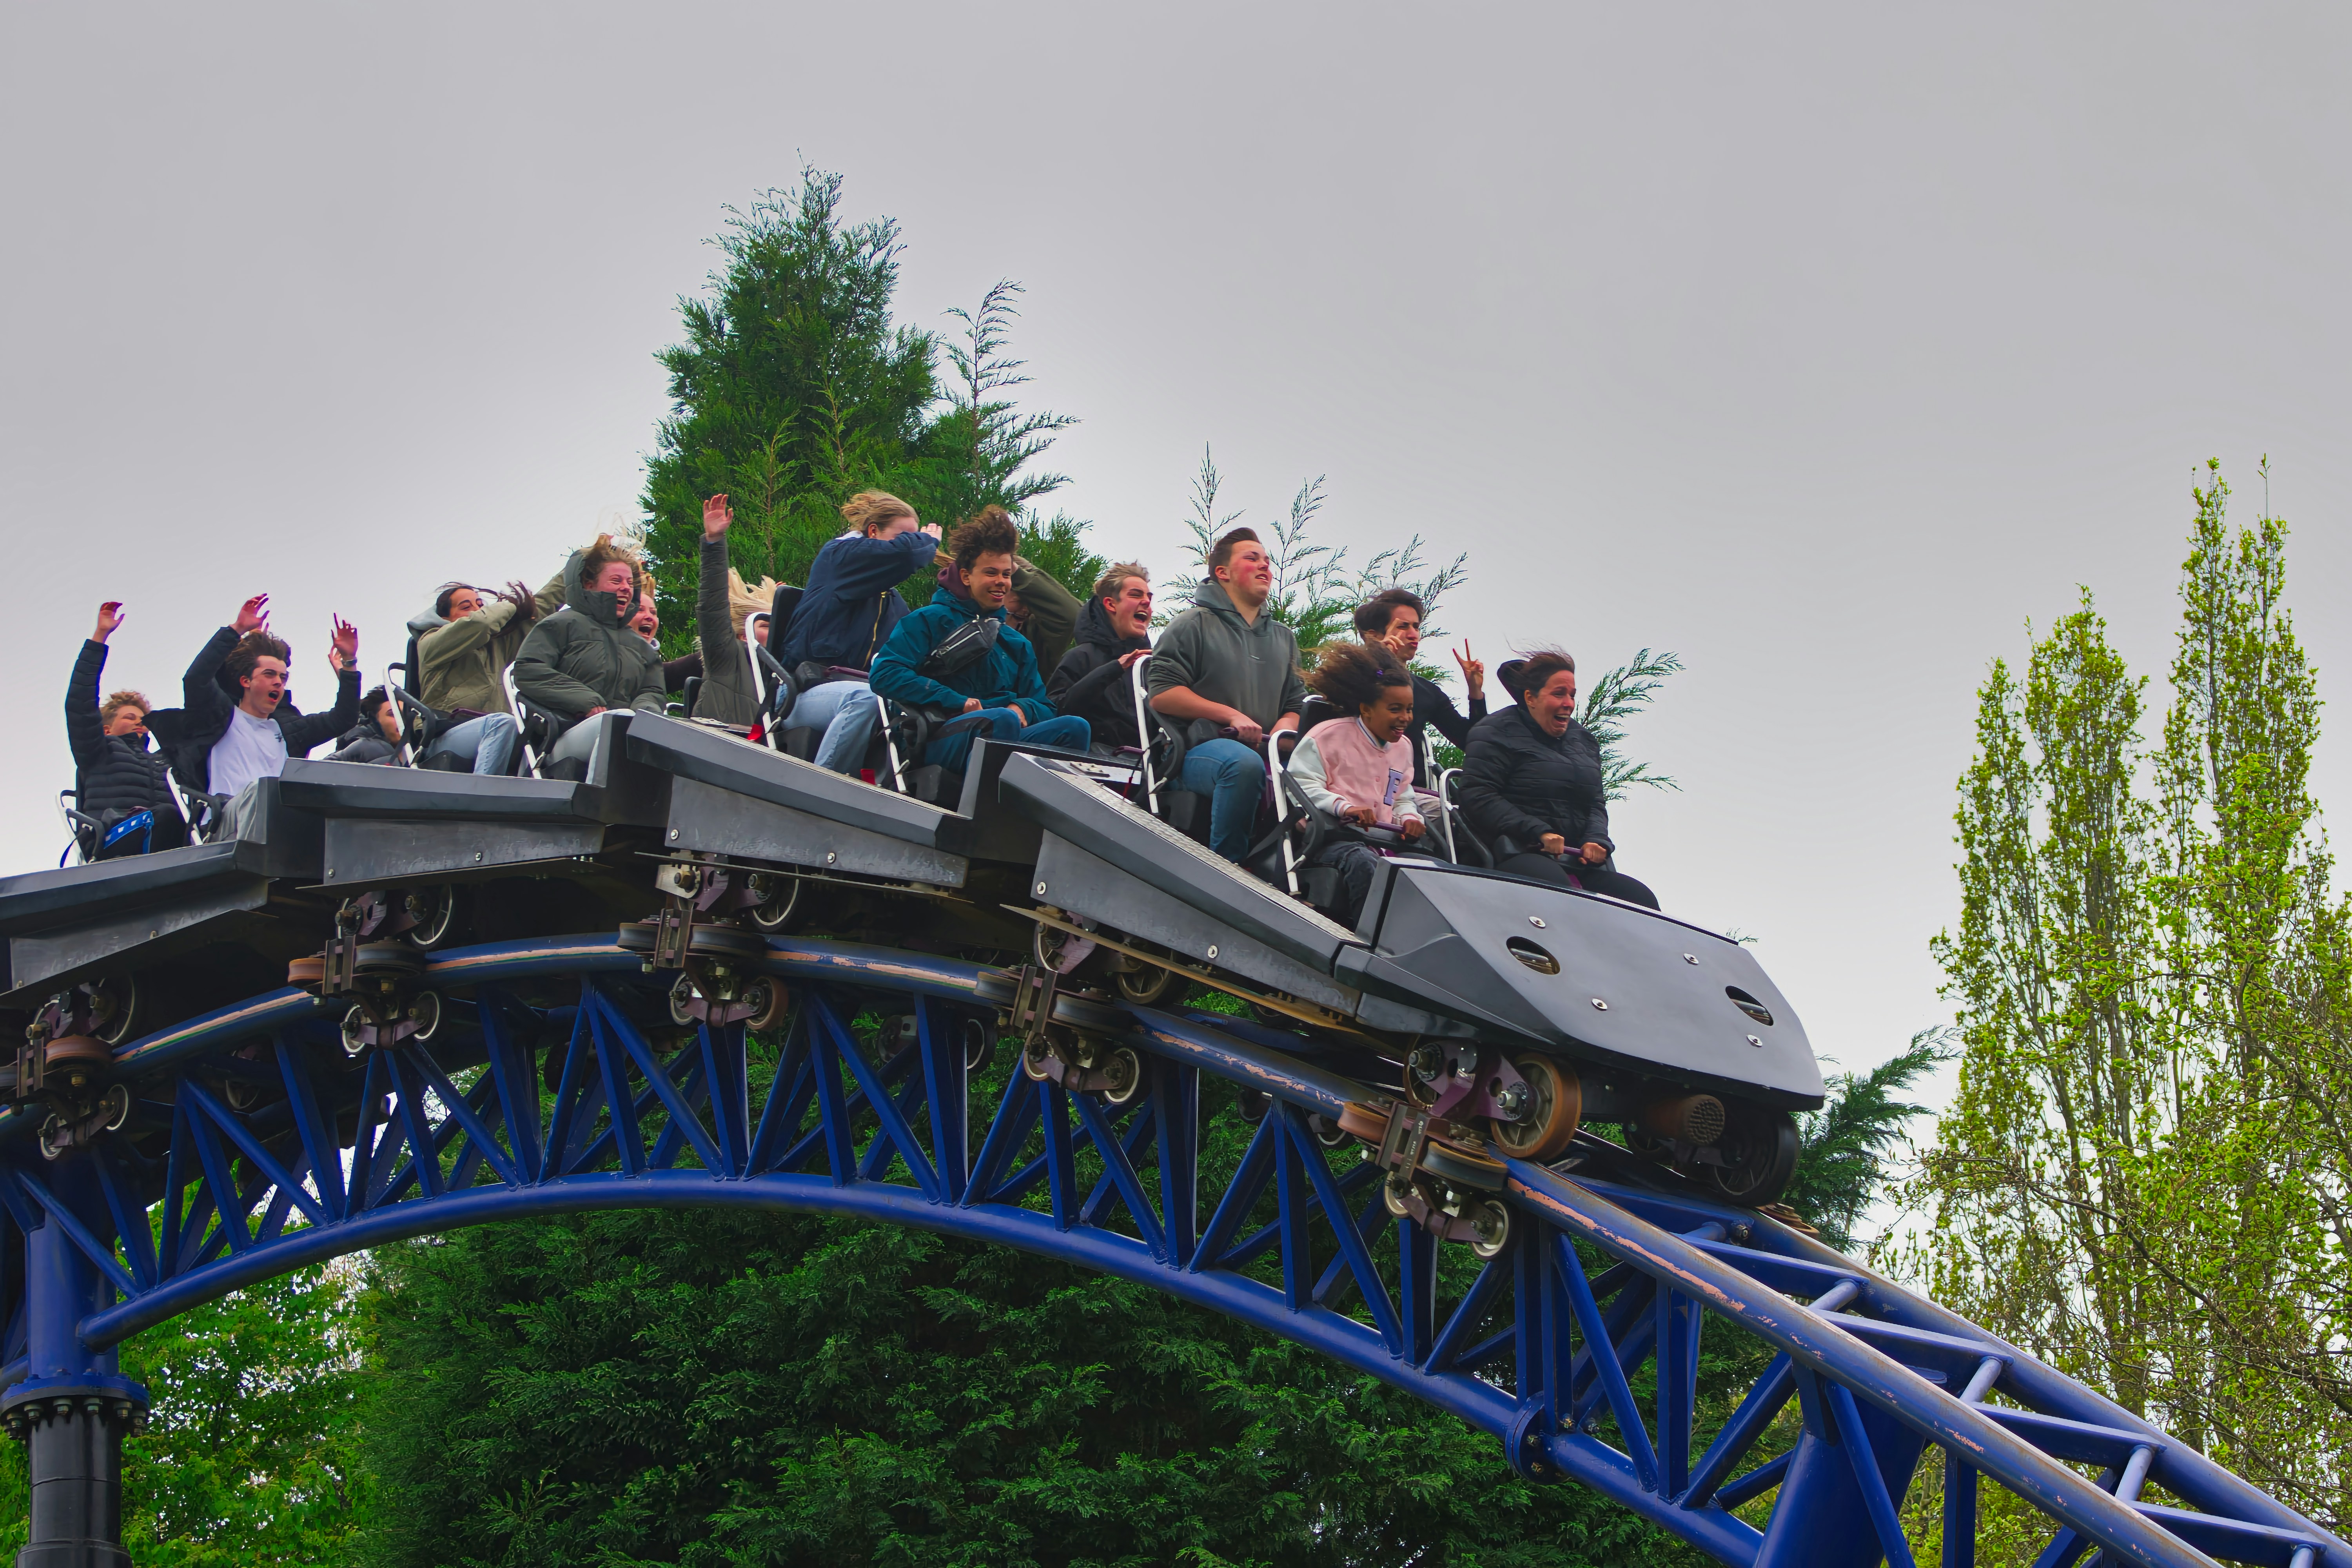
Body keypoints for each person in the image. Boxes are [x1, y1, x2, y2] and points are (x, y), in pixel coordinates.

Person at [869, 506, 1090, 779]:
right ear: (965, 576)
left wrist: (1024, 707)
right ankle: (982, 814)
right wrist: (959, 702)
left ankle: (1041, 816)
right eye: (991, 573)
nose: (1001, 582)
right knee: (1001, 720)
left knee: (1075, 727)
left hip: (1004, 733)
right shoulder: (928, 620)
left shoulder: (1016, 643)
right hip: (940, 735)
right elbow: (885, 674)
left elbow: (1043, 704)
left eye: (1007, 575)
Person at [1146, 527, 1307, 862]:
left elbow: (1295, 705)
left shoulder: (1284, 638)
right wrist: (1231, 716)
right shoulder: (1193, 624)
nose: (1265, 566)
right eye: (1252, 559)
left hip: (1268, 757)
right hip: (1196, 753)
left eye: (1267, 561)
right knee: (1242, 764)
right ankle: (1228, 870)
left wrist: (1282, 730)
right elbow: (1162, 694)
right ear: (1223, 573)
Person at [1457, 648, 1659, 909]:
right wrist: (1537, 831)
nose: (1568, 704)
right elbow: (1477, 795)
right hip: (1511, 851)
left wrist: (1597, 839)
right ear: (1531, 697)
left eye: (1572, 696)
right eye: (1559, 694)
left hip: (1575, 858)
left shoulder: (1583, 741)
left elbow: (1595, 803)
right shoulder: (1495, 731)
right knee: (1558, 895)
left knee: (1640, 900)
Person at [775, 490, 943, 772]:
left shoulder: (891, 602)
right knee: (865, 700)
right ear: (873, 532)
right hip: (802, 692)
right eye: (904, 536)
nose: (912, 543)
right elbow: (906, 554)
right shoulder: (839, 557)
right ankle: (823, 789)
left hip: (859, 692)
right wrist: (928, 540)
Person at [170, 595, 361, 834]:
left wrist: (349, 664)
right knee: (260, 794)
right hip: (225, 821)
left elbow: (344, 718)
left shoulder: (290, 732)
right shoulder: (218, 717)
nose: (278, 683)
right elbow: (196, 679)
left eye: (283, 678)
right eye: (269, 675)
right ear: (246, 681)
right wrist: (237, 630)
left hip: (277, 825)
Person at [1289, 643, 1426, 926]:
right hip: (1331, 840)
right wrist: (1345, 808)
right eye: (1395, 709)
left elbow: (1402, 797)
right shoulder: (1328, 736)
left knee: (1429, 870)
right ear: (1366, 709)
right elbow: (1300, 786)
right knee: (1363, 863)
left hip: (1383, 840)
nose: (1405, 718)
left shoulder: (1404, 748)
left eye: (1410, 710)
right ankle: (1370, 937)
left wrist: (1410, 818)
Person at [511, 537, 668, 773]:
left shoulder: (641, 646)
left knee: (656, 733)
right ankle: (601, 800)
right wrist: (586, 701)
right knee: (620, 722)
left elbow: (653, 691)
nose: (626, 587)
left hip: (624, 729)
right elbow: (529, 670)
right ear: (588, 584)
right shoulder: (560, 625)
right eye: (616, 580)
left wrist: (643, 713)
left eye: (629, 582)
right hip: (560, 738)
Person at [64, 601, 188, 856]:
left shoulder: (163, 760)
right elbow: (79, 704)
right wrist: (100, 637)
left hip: (163, 833)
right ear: (106, 729)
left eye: (143, 719)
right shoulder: (98, 749)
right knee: (164, 816)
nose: (138, 721)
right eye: (130, 717)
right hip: (109, 837)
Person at [408, 576, 553, 776]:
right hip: (445, 736)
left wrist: (583, 561)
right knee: (503, 723)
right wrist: (511, 605)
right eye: (466, 607)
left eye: (480, 604)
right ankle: (480, 794)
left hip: (495, 733)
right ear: (446, 618)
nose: (477, 610)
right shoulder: (430, 642)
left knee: (530, 736)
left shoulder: (495, 646)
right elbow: (481, 623)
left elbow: (544, 606)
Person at [1353, 588, 1485, 788]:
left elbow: (1472, 742)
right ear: (1373, 637)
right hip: (1354, 785)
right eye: (1403, 627)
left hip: (1413, 793)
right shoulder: (1349, 678)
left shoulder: (1425, 691)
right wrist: (1381, 661)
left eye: (1416, 626)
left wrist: (1476, 693)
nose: (1414, 635)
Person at [686, 494, 784, 726]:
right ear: (743, 634)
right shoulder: (726, 658)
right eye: (766, 625)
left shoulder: (784, 674)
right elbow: (712, 607)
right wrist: (714, 542)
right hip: (718, 748)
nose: (777, 631)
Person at [1045, 563, 1152, 751]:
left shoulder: (1150, 666)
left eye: (1149, 597)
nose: (1146, 602)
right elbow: (1056, 712)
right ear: (1111, 604)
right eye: (1136, 595)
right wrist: (1113, 670)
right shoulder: (1080, 657)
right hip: (1092, 766)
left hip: (1151, 771)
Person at [1004, 557, 1082, 679]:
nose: (1026, 609)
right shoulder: (973, 624)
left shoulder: (1037, 638)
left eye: (1032, 603)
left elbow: (1072, 615)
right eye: (1020, 600)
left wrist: (1019, 574)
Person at [328, 687, 407, 764]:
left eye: (406, 715)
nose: (402, 720)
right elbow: (320, 770)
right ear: (375, 720)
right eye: (393, 714)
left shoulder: (416, 757)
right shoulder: (365, 749)